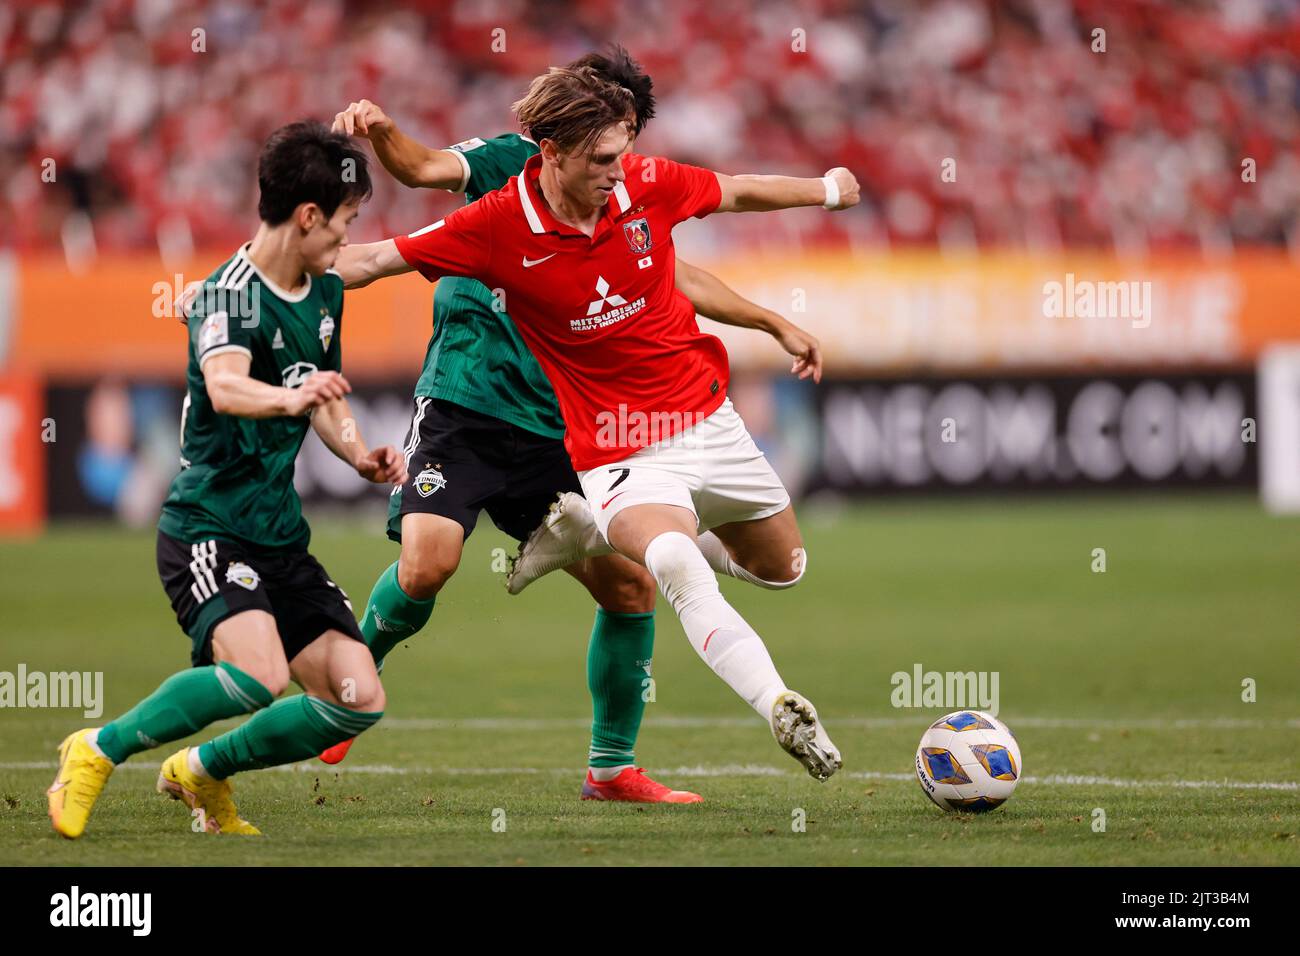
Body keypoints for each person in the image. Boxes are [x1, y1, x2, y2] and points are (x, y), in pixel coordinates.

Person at [326, 48, 825, 802]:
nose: (624, 161)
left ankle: (611, 769)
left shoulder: (624, 193)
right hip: (468, 401)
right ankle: (351, 683)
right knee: (429, 565)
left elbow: (670, 274)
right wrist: (379, 133)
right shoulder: (502, 172)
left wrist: (767, 321)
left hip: (560, 421)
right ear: (561, 137)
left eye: (629, 140)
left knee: (631, 590)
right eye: (611, 142)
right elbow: (424, 173)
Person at [47, 121, 406, 838]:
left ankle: (203, 770)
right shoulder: (227, 297)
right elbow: (225, 387)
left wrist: (358, 451)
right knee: (257, 676)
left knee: (357, 697)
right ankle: (95, 749)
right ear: (308, 216)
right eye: (345, 222)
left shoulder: (325, 290)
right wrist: (289, 400)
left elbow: (321, 395)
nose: (347, 237)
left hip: (278, 536)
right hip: (208, 527)